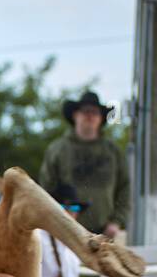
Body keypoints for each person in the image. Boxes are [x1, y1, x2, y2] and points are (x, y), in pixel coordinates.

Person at [40, 91, 129, 238]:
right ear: (75, 115)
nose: (90, 115)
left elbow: (125, 189)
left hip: (105, 233)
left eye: (95, 112)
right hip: (66, 233)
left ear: (101, 118)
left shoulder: (113, 151)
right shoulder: (57, 149)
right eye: (85, 111)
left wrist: (116, 222)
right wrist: (56, 221)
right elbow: (46, 189)